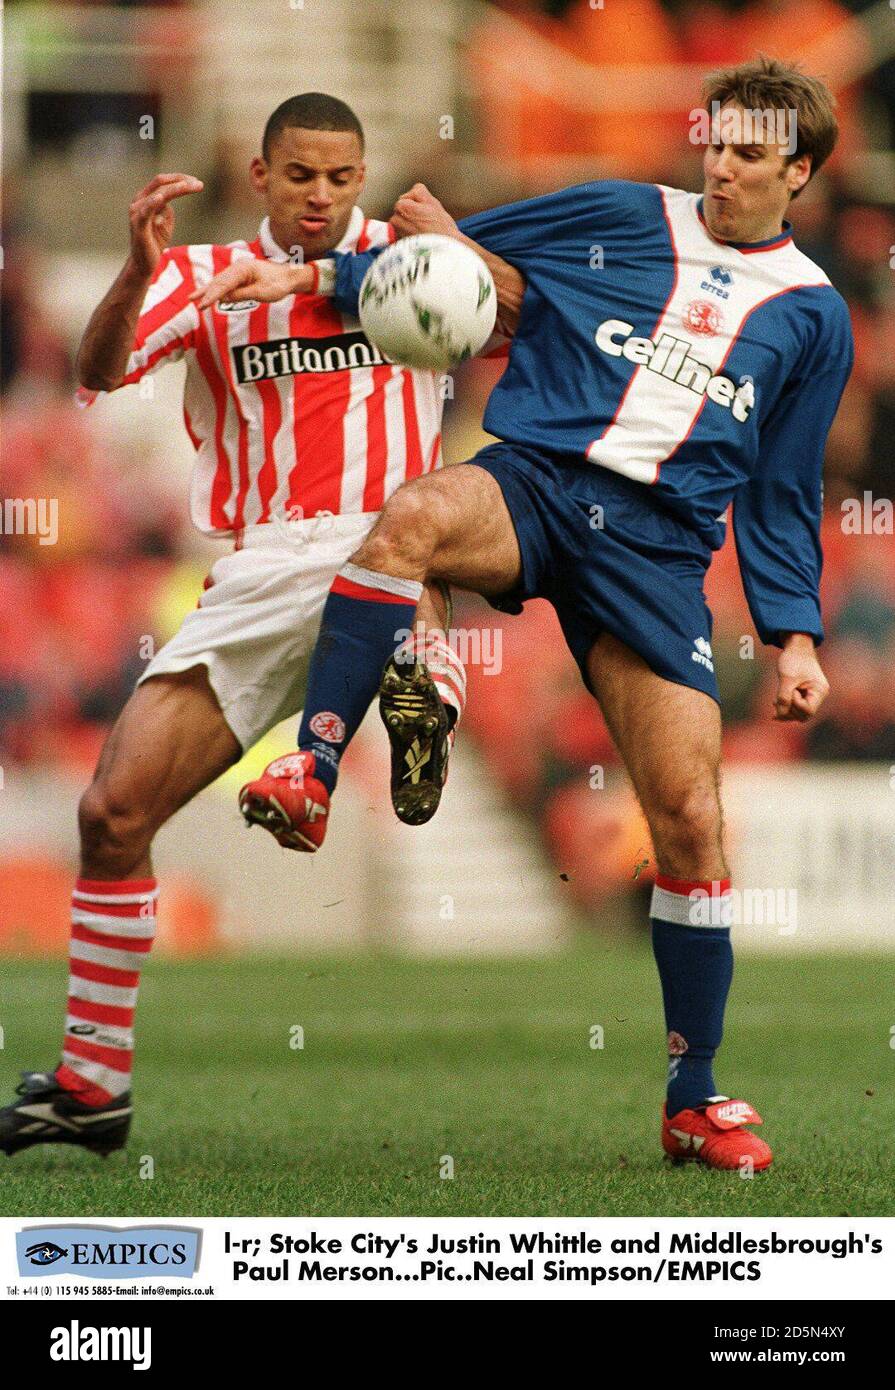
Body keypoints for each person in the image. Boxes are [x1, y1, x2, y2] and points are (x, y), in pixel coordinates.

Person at [198, 58, 854, 1172]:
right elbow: (441, 267)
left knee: (691, 821)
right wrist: (311, 282)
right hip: (538, 485)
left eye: (751, 151)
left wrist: (794, 635)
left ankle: (692, 1099)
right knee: (408, 517)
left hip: (657, 558)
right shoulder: (614, 210)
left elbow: (784, 490)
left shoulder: (814, 318)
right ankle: (310, 769)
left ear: (798, 171)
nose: (723, 163)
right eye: (717, 141)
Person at [0, 92, 493, 1159]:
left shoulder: (407, 262)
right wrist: (136, 269)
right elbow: (96, 373)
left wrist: (442, 243)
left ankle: (424, 677)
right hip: (260, 565)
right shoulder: (200, 274)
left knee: (413, 533)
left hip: (382, 532)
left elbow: (501, 302)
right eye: (302, 176)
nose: (322, 197)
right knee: (112, 812)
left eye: (341, 177)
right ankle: (91, 1087)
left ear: (361, 178)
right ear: (261, 176)